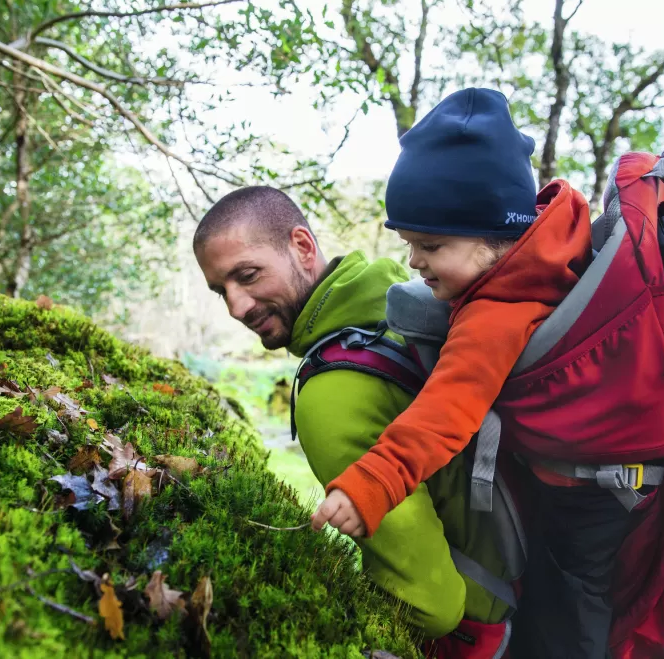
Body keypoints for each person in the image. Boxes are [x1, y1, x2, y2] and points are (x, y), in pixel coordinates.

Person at [309, 87, 632, 658]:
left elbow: (444, 413)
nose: (413, 261)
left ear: (493, 236)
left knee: (565, 628)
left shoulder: (495, 313)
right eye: (409, 244)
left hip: (586, 502)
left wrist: (372, 484)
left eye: (429, 244)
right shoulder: (555, 247)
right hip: (610, 485)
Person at [193, 186, 514, 657]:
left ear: (302, 246)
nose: (236, 307)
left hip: (483, 631)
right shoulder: (404, 300)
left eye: (248, 275)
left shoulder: (330, 394)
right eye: (222, 290)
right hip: (543, 576)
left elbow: (430, 605)